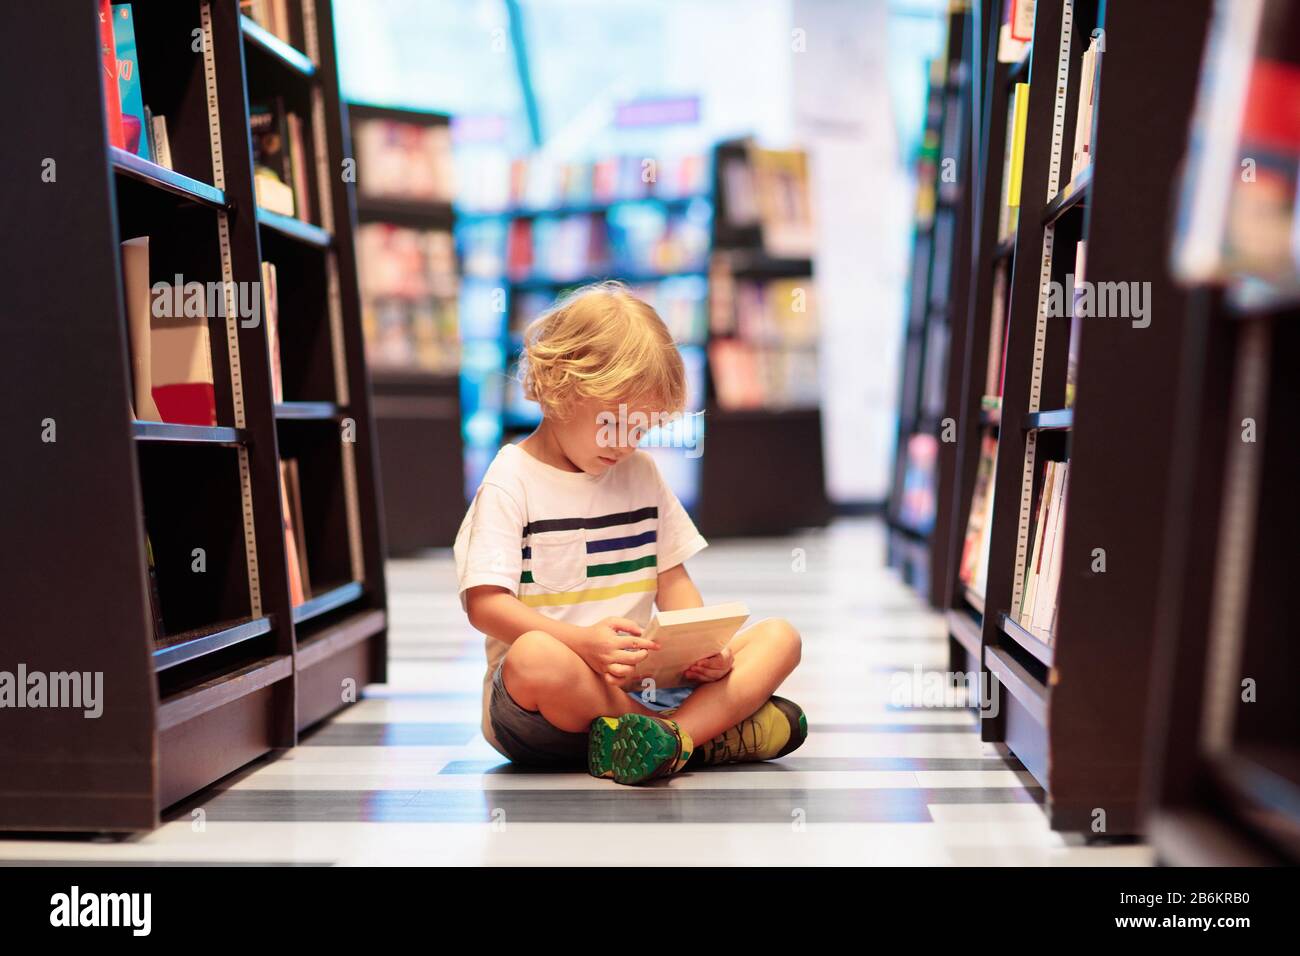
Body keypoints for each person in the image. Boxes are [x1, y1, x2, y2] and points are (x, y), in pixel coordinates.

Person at [454, 282, 806, 784]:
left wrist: (706, 647)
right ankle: (698, 736)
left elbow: (674, 580)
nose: (625, 445)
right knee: (535, 656)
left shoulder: (640, 473)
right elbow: (484, 605)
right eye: (612, 425)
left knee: (780, 638)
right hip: (548, 708)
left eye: (640, 430)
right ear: (558, 388)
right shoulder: (511, 481)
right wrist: (581, 644)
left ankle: (666, 741)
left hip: (645, 687)